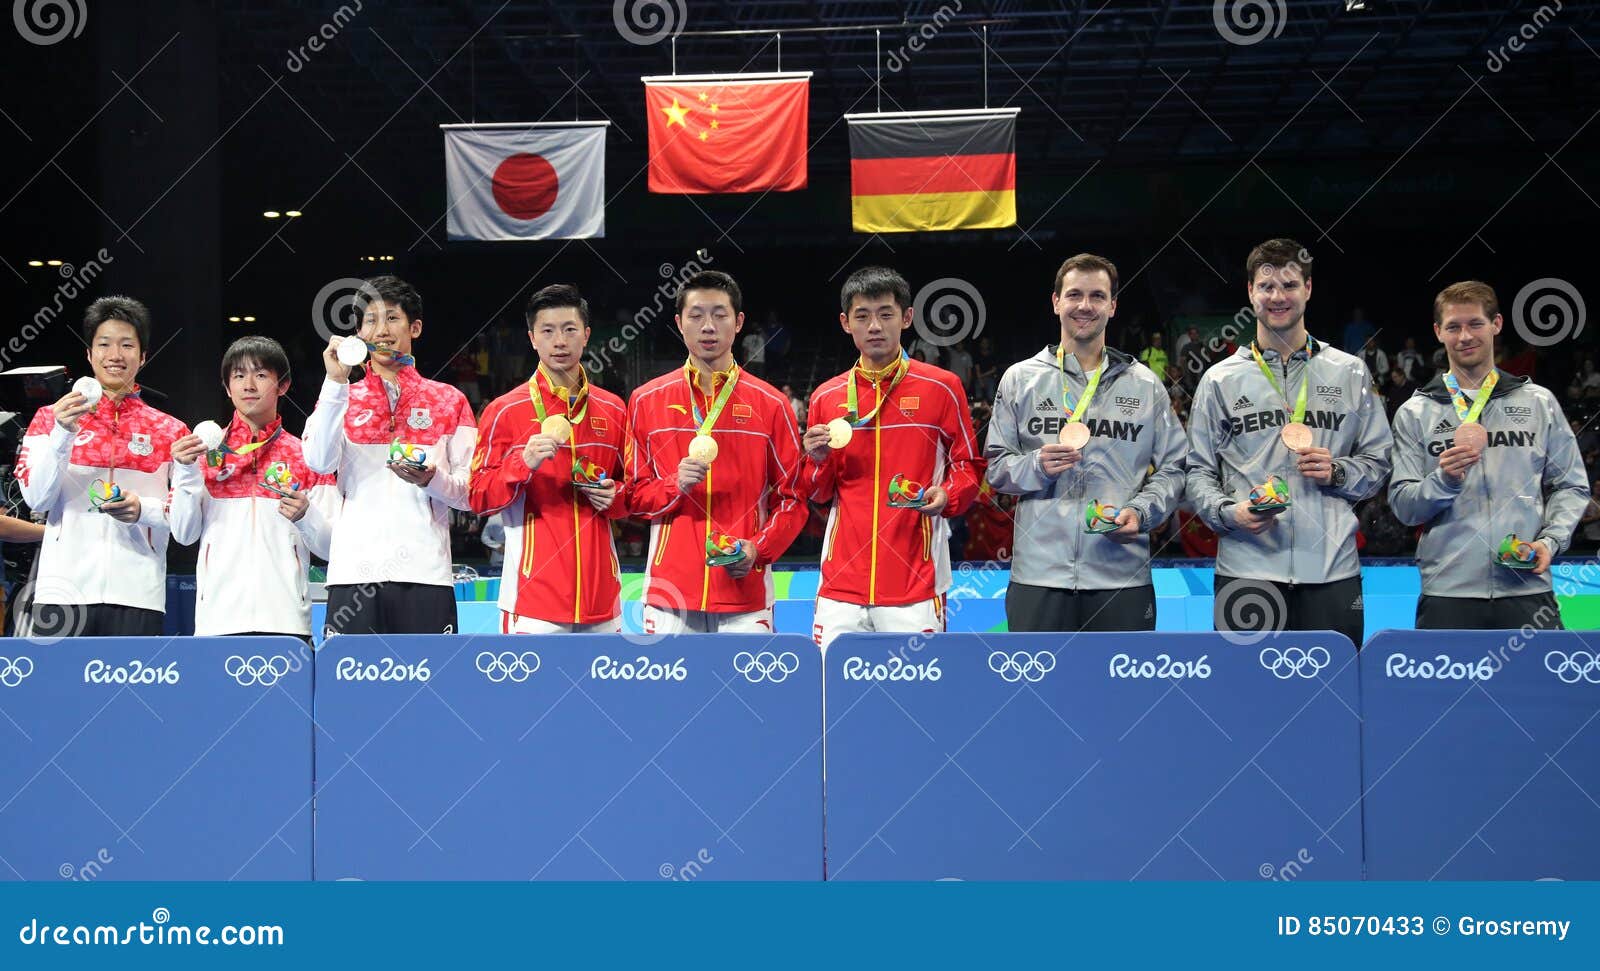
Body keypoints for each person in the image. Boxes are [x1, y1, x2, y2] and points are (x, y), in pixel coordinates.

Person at [1187, 239, 1393, 649]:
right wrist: (1229, 513)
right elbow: (1197, 472)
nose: (1278, 296)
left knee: (1333, 699)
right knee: (1244, 702)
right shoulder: (1219, 380)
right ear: (1250, 293)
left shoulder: (1349, 372)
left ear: (1308, 289)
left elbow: (1380, 463)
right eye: (1266, 286)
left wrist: (1338, 471)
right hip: (1246, 569)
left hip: (1331, 571)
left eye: (1289, 285)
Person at [986, 253, 1186, 631]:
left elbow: (1176, 467)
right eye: (1074, 294)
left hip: (1121, 576)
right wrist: (1035, 465)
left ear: (1112, 306)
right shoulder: (1020, 379)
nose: (1084, 305)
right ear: (1056, 302)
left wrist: (1143, 511)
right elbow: (996, 469)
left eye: (1097, 296)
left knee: (1120, 692)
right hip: (1039, 576)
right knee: (1037, 691)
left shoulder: (1144, 385)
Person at [1388, 281, 1588, 630]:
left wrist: (1550, 541)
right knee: (1444, 688)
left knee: (1540, 686)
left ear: (1496, 324)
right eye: (1453, 327)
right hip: (1448, 592)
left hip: (1526, 582)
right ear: (1438, 332)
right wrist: (1443, 480)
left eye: (1475, 324)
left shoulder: (1538, 402)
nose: (1464, 336)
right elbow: (1404, 507)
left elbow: (1571, 485)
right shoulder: (1415, 412)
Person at [802, 267, 984, 648]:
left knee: (916, 701)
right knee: (832, 700)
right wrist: (817, 461)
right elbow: (817, 493)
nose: (874, 326)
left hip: (915, 581)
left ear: (907, 317)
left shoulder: (942, 387)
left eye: (886, 314)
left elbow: (968, 466)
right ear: (845, 323)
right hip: (840, 583)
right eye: (862, 316)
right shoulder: (826, 396)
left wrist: (948, 496)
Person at [622, 270, 807, 633]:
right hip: (669, 594)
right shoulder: (646, 401)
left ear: (738, 322)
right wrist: (675, 485)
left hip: (745, 590)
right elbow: (634, 495)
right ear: (679, 323)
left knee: (747, 691)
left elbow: (793, 498)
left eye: (720, 315)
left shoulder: (772, 404)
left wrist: (757, 551)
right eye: (696, 315)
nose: (709, 326)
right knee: (674, 692)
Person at [303, 276, 477, 636]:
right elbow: (319, 461)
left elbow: (472, 493)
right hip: (353, 572)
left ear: (415, 327)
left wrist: (432, 479)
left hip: (425, 573)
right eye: (370, 321)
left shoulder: (450, 401)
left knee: (429, 689)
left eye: (392, 319)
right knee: (352, 692)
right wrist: (335, 382)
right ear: (359, 334)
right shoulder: (341, 397)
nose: (381, 330)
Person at [15, 297, 189, 637]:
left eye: (127, 345)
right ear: (89, 354)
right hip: (62, 592)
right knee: (62, 692)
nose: (115, 355)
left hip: (138, 593)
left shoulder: (171, 430)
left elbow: (186, 521)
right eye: (104, 344)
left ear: (142, 356)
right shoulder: (50, 419)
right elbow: (38, 500)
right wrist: (63, 434)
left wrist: (144, 510)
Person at [469, 284, 630, 633]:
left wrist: (615, 497)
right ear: (532, 338)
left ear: (586, 335)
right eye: (548, 331)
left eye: (570, 329)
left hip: (602, 599)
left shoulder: (615, 410)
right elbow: (478, 498)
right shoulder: (503, 411)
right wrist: (521, 464)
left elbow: (633, 496)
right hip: (532, 602)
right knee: (531, 692)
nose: (560, 341)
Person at [167, 336, 338, 637]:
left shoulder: (308, 456)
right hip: (217, 622)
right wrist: (185, 470)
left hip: (286, 622)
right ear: (227, 386)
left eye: (260, 375)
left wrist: (306, 516)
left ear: (282, 385)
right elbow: (183, 533)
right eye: (239, 375)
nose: (248, 385)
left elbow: (329, 547)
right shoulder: (204, 454)